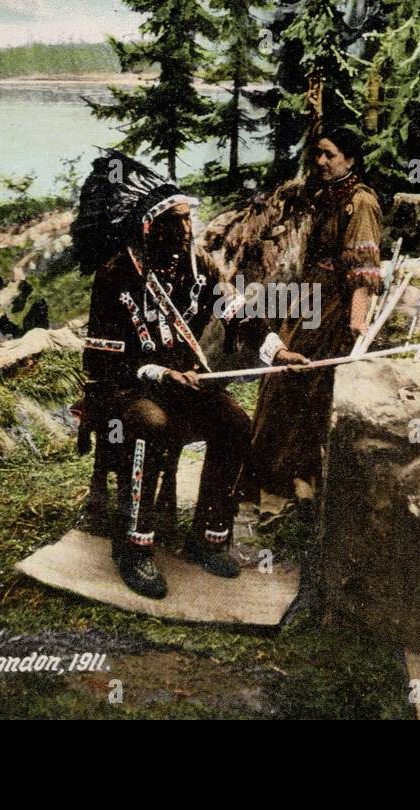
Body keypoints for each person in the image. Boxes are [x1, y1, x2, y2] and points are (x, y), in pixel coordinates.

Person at [73, 151, 307, 599]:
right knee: (149, 424)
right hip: (123, 388)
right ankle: (133, 549)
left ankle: (207, 538)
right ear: (149, 227)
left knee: (235, 424)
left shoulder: (196, 266)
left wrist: (276, 351)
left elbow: (238, 313)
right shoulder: (117, 275)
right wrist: (159, 374)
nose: (185, 230)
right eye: (175, 222)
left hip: (182, 382)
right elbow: (100, 364)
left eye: (187, 220)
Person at [248, 127, 383, 519]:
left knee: (303, 387)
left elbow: (364, 268)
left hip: (335, 306)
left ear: (351, 159)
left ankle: (298, 483)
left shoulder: (359, 203)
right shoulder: (327, 196)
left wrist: (357, 322)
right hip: (310, 300)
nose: (321, 162)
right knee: (282, 379)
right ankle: (281, 481)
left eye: (330, 155)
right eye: (319, 154)